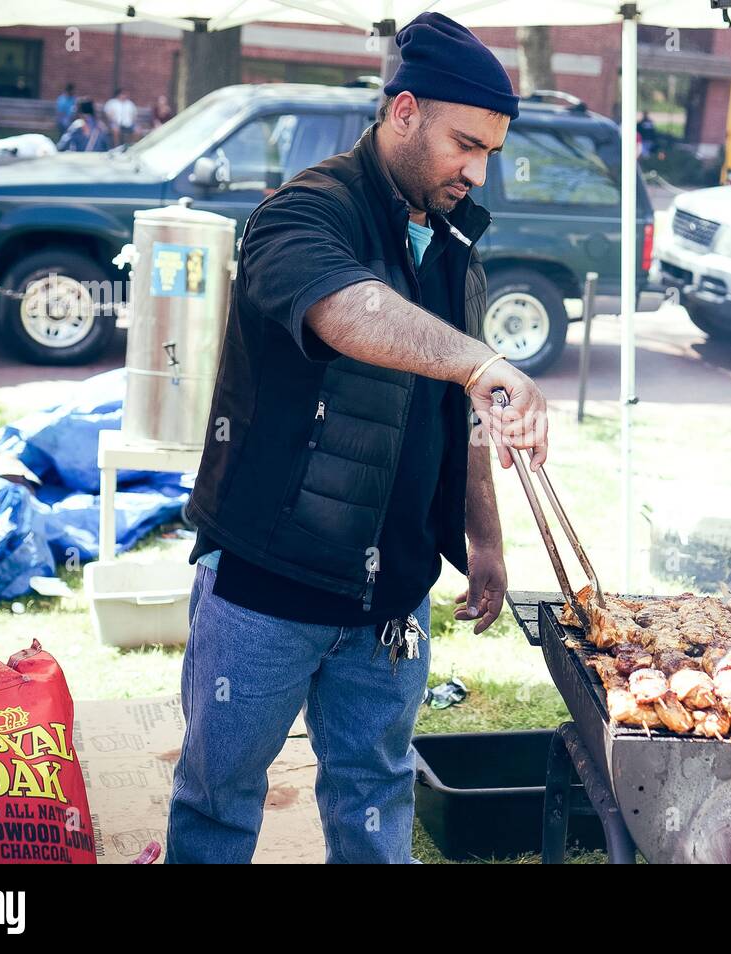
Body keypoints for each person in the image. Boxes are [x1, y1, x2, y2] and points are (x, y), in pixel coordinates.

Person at [166, 11, 548, 865]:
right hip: (269, 584)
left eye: (490, 151)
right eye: (465, 145)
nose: (477, 173)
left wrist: (484, 538)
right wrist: (480, 358)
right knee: (219, 799)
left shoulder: (453, 243)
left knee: (375, 797)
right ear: (403, 110)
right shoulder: (302, 213)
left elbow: (460, 410)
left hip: (393, 600)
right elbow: (348, 311)